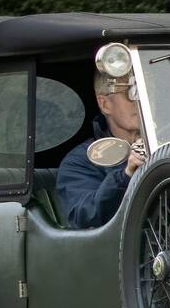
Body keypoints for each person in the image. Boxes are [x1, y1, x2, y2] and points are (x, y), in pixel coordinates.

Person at [56, 71, 146, 229]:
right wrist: (126, 174)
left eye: (147, 90)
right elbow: (84, 215)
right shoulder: (80, 161)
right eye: (132, 92)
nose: (142, 99)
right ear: (105, 104)